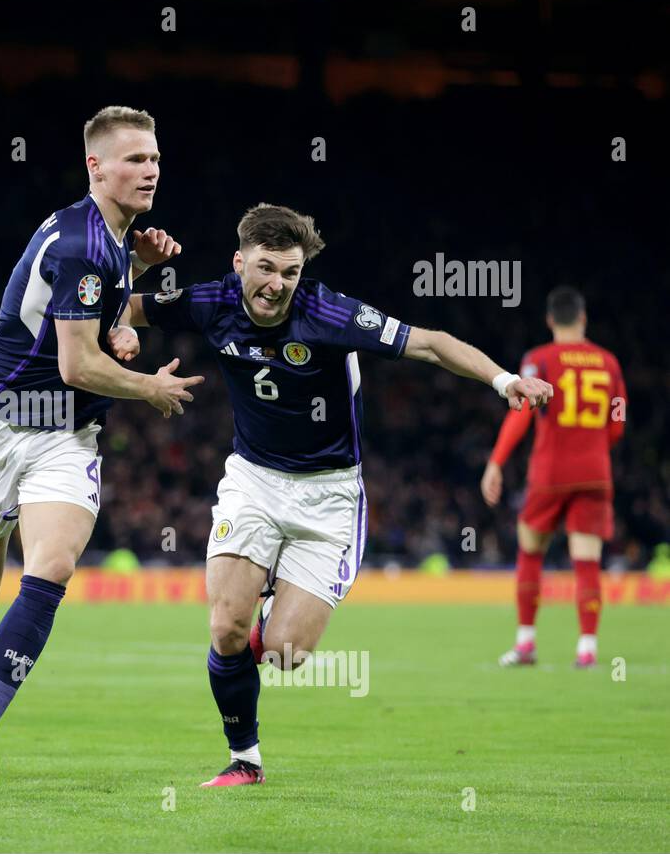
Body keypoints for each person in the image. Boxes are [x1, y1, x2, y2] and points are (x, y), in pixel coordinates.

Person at [118, 202, 552, 786]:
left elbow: (430, 343)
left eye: (290, 272)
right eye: (267, 268)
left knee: (284, 654)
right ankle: (245, 759)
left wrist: (504, 380)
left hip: (328, 496)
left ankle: (264, 626)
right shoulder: (209, 301)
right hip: (253, 478)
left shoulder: (330, 313)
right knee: (223, 628)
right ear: (239, 261)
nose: (278, 285)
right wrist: (122, 317)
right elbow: (120, 305)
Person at [0, 105, 201, 788]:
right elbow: (77, 365)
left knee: (52, 567)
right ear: (95, 166)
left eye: (154, 158)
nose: (150, 169)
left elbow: (99, 324)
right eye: (134, 159)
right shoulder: (82, 245)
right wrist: (145, 386)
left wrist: (133, 285)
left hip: (66, 437)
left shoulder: (112, 239)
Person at [481, 285, 626, 669]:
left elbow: (522, 411)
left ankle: (526, 644)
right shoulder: (609, 363)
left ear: (550, 320)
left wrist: (496, 461)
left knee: (530, 550)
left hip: (550, 472)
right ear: (582, 318)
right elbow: (618, 423)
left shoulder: (539, 359)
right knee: (587, 561)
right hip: (596, 473)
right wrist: (593, 445)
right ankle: (587, 649)